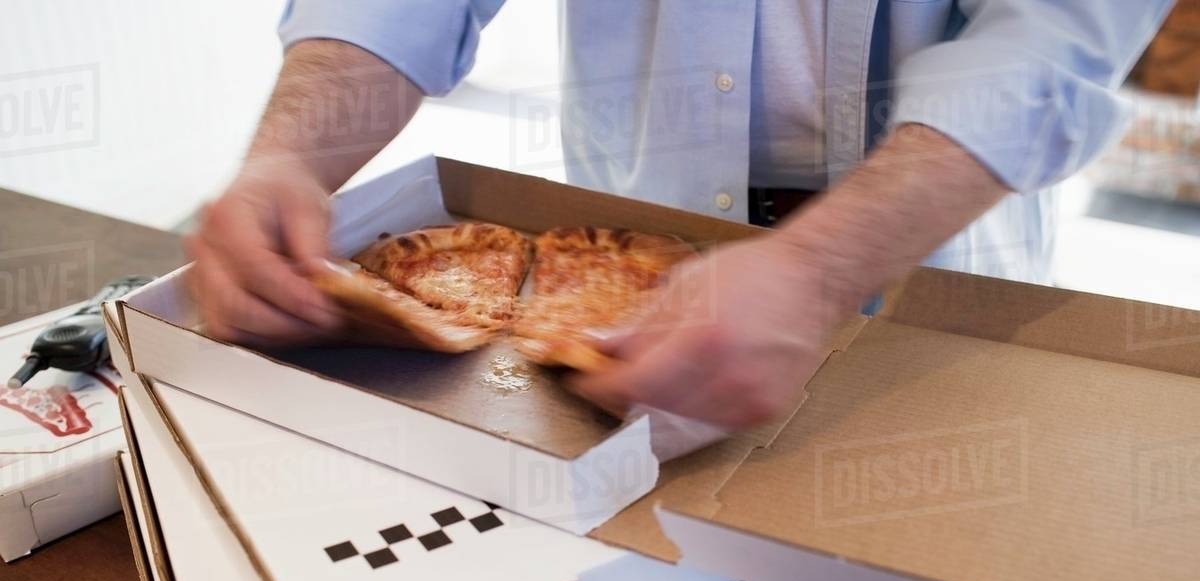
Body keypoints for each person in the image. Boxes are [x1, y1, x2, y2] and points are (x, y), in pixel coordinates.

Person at [189, 1, 1171, 429]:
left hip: (928, 268)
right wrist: (290, 157)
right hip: (601, 285)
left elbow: (1045, 43)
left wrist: (820, 268)